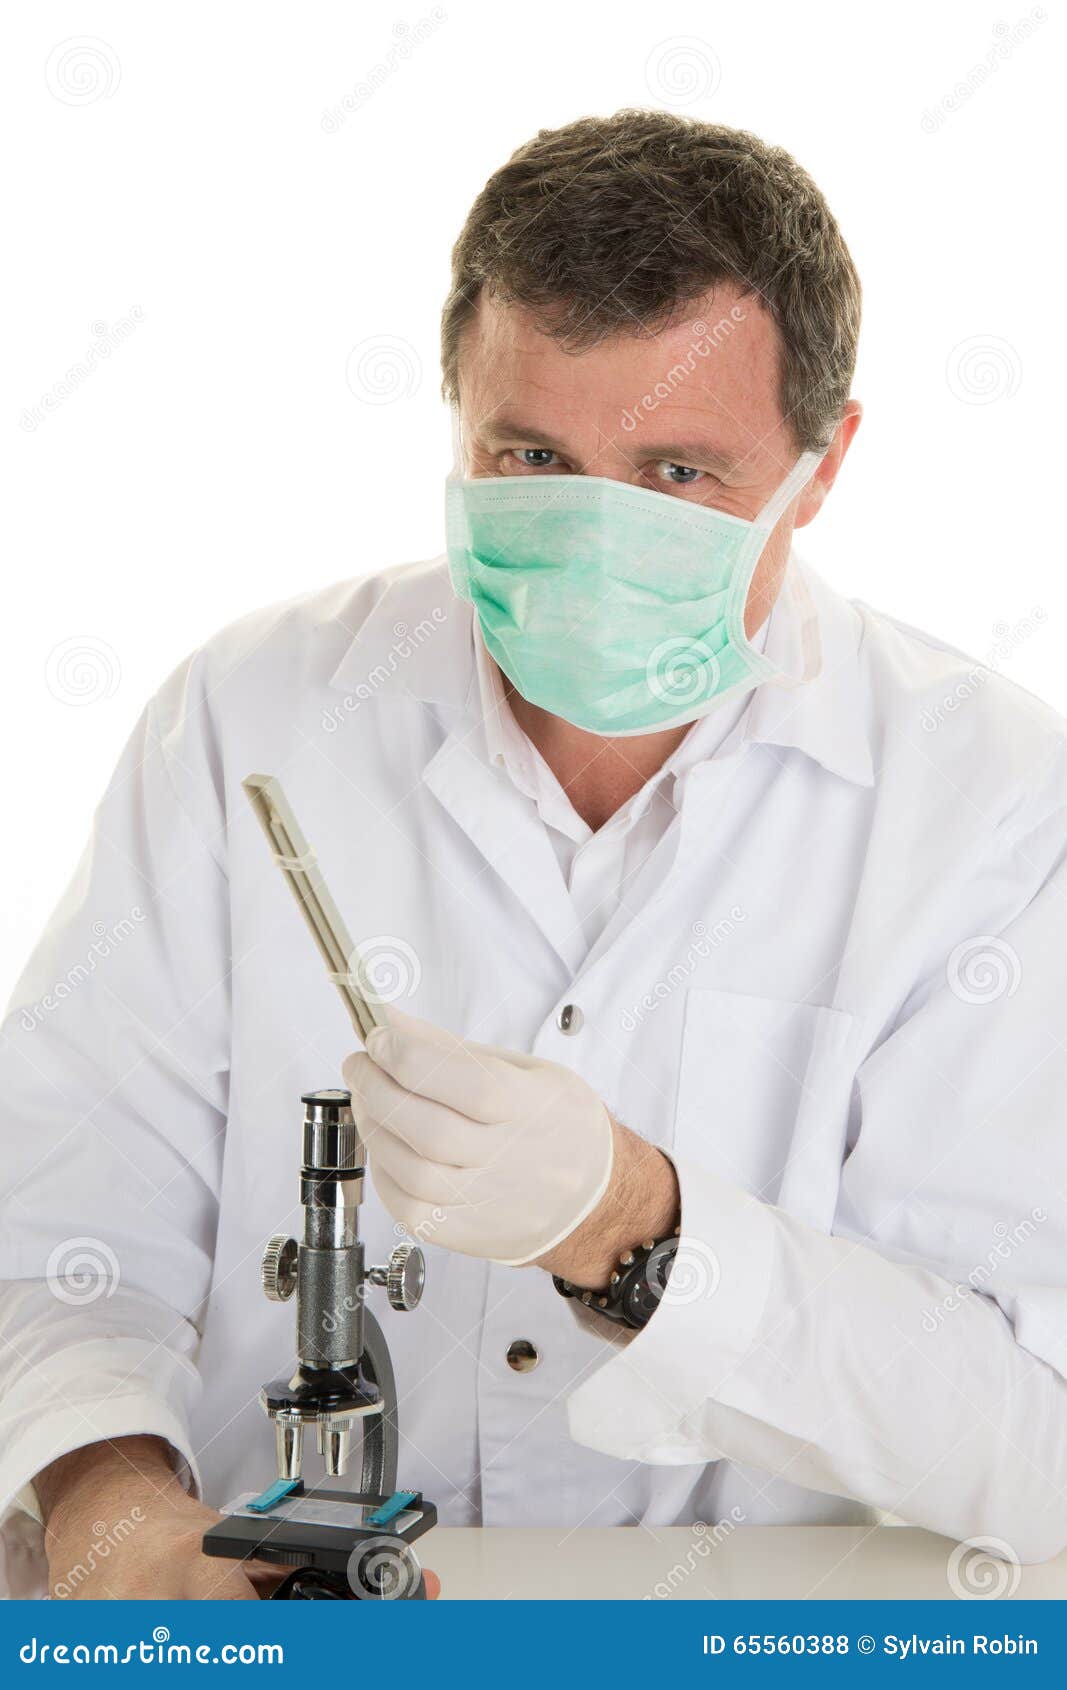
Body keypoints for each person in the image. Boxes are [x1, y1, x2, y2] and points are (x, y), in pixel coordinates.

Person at [3, 109, 1066, 1602]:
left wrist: (636, 1223)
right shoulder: (250, 718)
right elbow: (60, 1228)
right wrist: (116, 1523)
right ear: (452, 416)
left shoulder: (992, 805)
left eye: (682, 474)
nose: (592, 536)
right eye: (532, 455)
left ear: (821, 467)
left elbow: (1034, 1443)